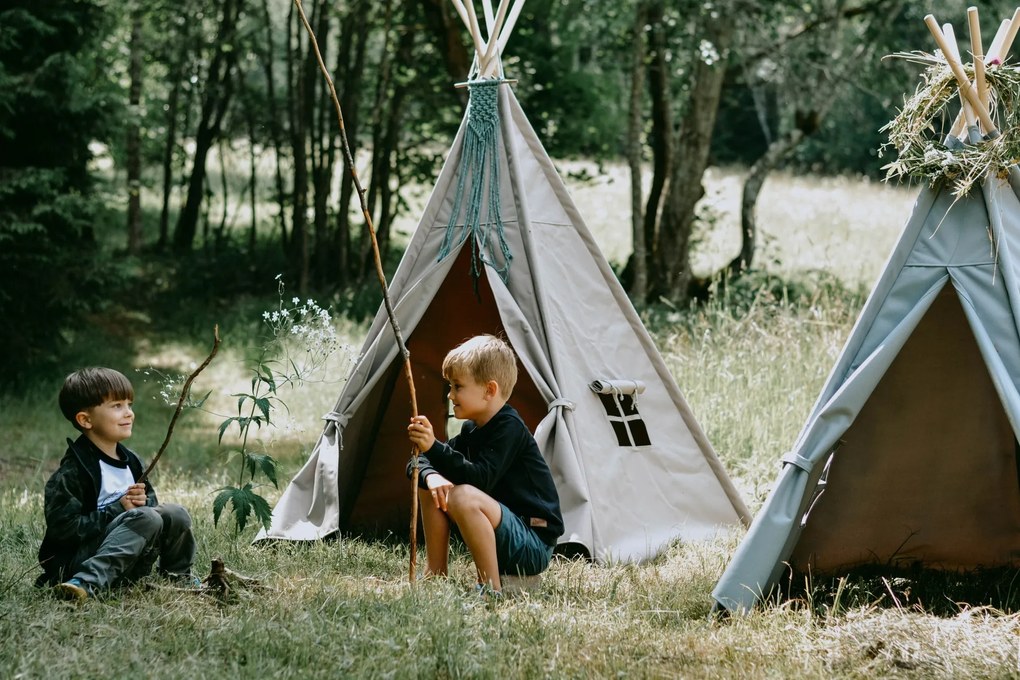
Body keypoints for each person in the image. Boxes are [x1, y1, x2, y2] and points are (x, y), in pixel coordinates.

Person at [406, 335, 563, 594]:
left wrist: (434, 447)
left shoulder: (509, 428)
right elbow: (416, 464)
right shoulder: (473, 430)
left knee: (464, 496)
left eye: (458, 386)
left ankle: (489, 588)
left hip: (533, 544)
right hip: (503, 534)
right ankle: (436, 573)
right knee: (429, 482)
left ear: (489, 390)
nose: (450, 394)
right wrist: (431, 475)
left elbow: (480, 479)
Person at [37, 367, 198, 601]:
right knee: (147, 517)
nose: (129, 413)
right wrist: (119, 509)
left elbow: (149, 507)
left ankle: (177, 575)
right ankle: (84, 584)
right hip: (80, 562)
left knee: (175, 512)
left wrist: (144, 503)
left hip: (129, 558)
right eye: (117, 406)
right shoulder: (73, 471)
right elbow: (62, 529)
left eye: (129, 404)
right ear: (85, 419)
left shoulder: (131, 461)